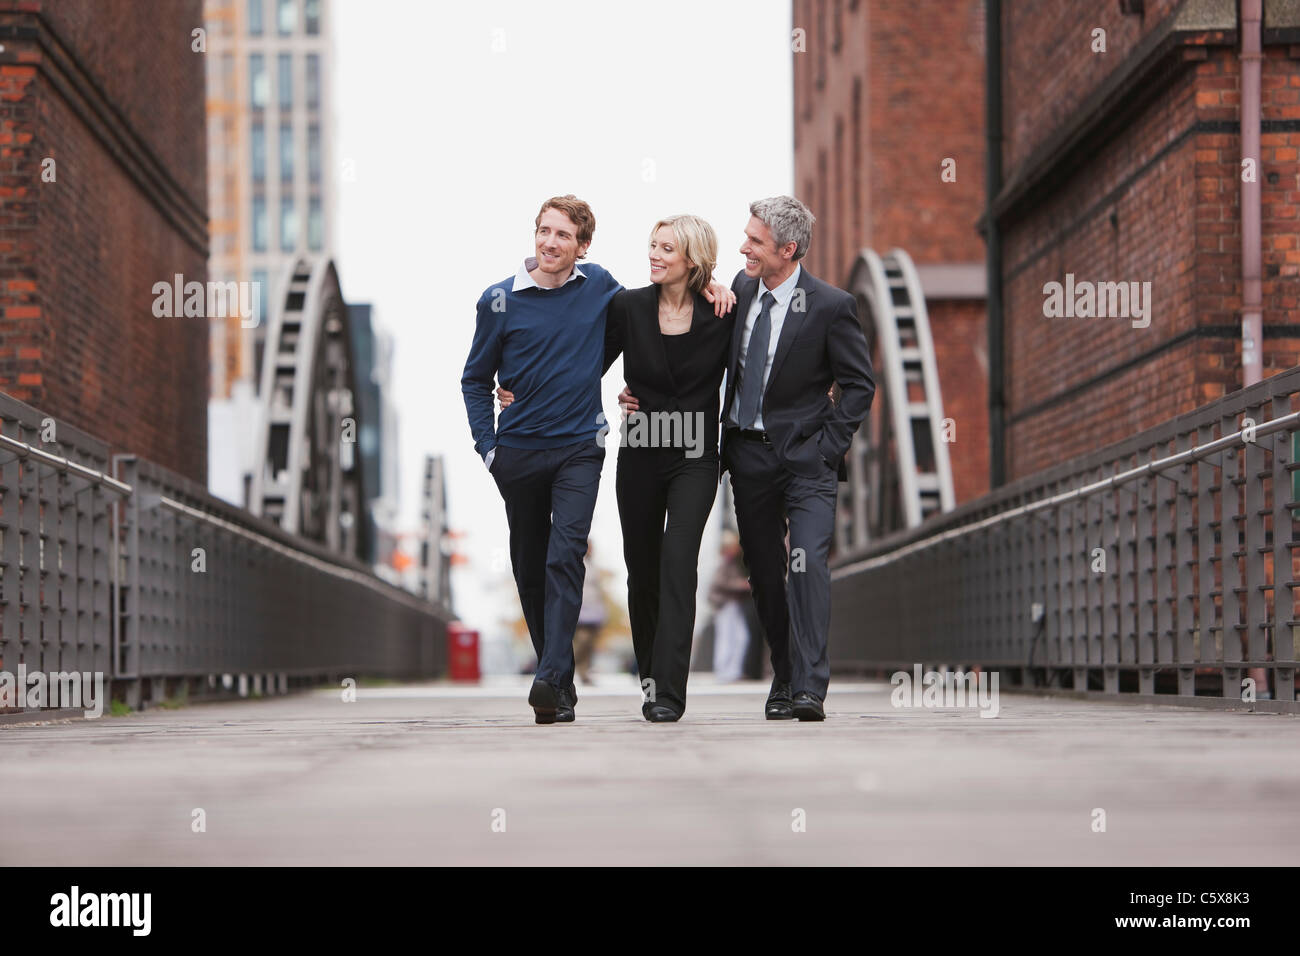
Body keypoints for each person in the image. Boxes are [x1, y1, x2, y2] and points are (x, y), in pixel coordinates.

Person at [463, 196, 734, 725]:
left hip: (580, 449)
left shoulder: (601, 288)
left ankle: (560, 679)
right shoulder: (497, 300)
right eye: (544, 231)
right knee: (531, 568)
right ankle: (557, 681)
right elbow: (476, 378)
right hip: (517, 451)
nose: (549, 242)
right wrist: (488, 447)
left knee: (567, 555)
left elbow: (632, 331)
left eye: (563, 235)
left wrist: (709, 285)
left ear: (582, 248)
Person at [623, 196, 874, 721]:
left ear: (789, 249)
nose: (744, 248)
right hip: (745, 457)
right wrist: (637, 391)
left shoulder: (830, 306)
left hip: (807, 463)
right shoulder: (736, 290)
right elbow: (681, 326)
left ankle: (809, 688)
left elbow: (858, 386)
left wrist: (827, 447)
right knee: (764, 574)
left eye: (755, 241)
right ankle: (784, 675)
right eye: (746, 237)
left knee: (807, 565)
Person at [708, 531, 752, 682]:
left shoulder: (732, 562)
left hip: (733, 604)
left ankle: (733, 671)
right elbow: (720, 583)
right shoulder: (724, 562)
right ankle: (724, 671)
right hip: (725, 604)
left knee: (740, 637)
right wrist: (741, 584)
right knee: (727, 637)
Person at [573, 540, 605, 684]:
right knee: (581, 641)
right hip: (582, 610)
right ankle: (570, 666)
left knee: (589, 644)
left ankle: (584, 671)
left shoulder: (593, 566)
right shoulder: (579, 563)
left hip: (594, 611)